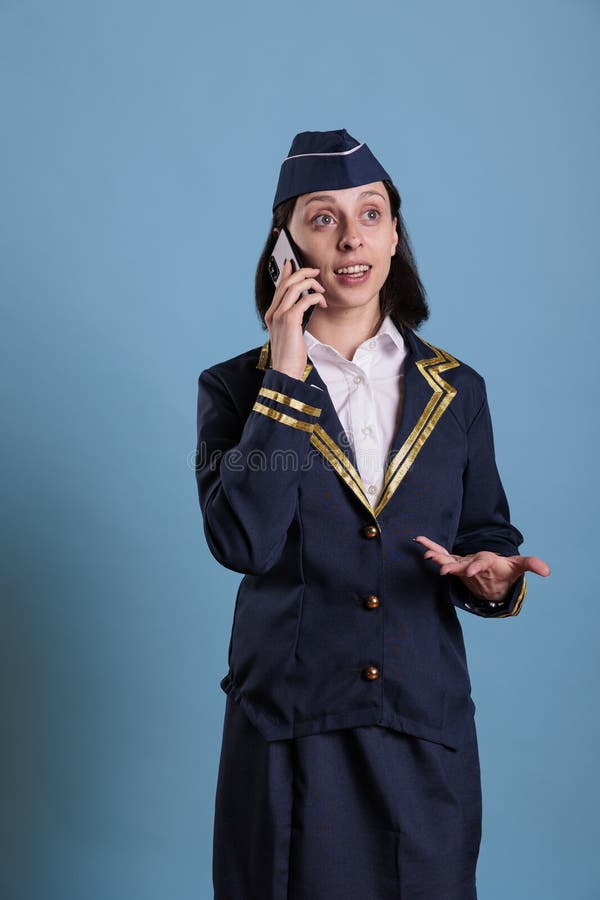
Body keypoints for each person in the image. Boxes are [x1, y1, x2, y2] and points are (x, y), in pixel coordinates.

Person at [194, 128, 550, 900]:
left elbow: (484, 529)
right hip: (288, 725)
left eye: (371, 214)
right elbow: (244, 540)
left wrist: (491, 575)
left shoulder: (458, 391)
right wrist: (286, 371)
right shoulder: (235, 389)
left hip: (423, 723)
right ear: (284, 247)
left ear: (393, 235)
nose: (352, 238)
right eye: (323, 218)